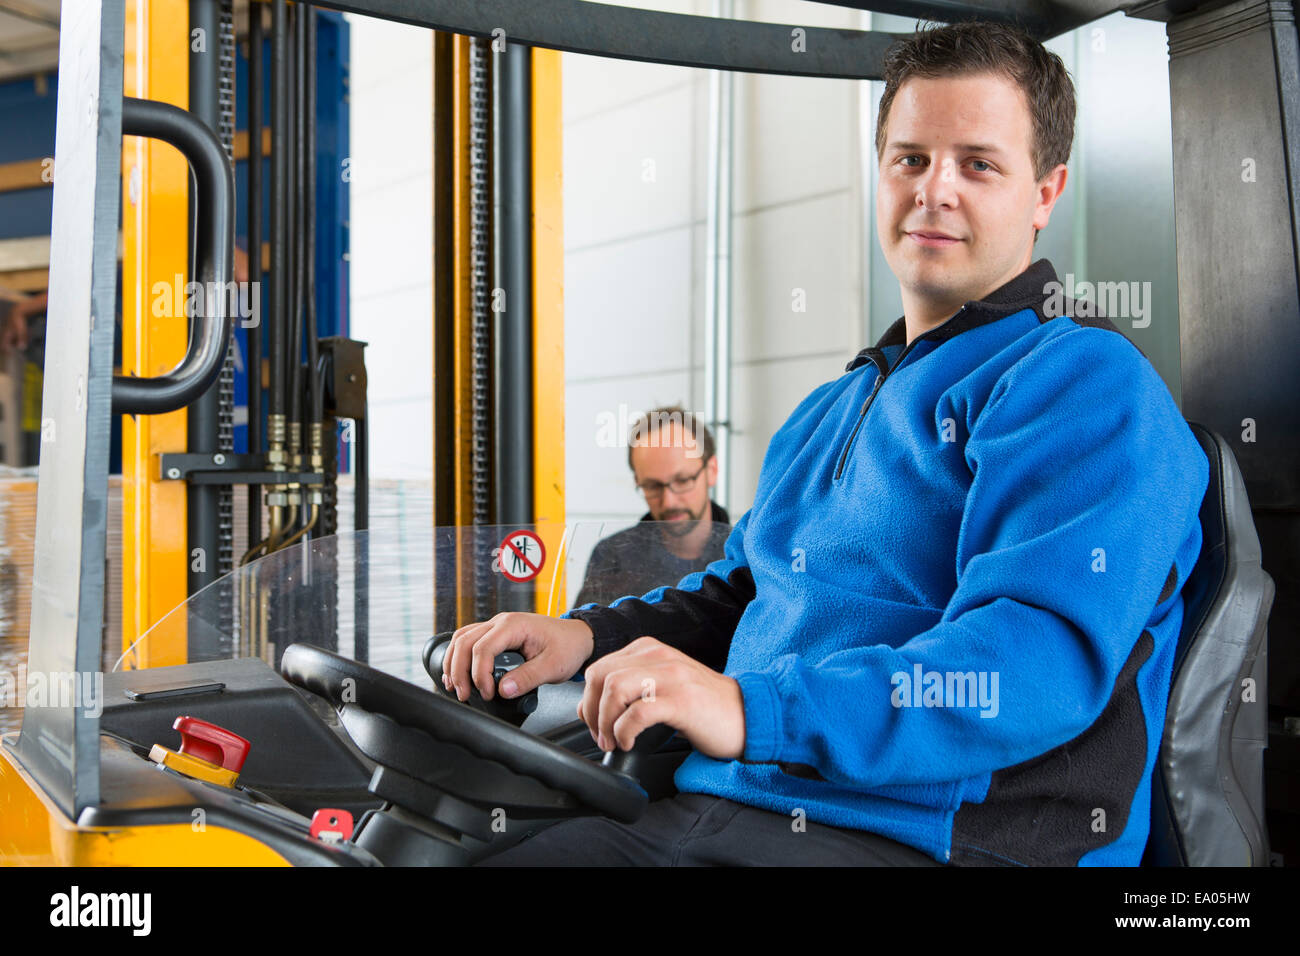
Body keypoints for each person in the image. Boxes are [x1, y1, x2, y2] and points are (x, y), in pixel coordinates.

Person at [443, 20, 1208, 866]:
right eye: (910, 158)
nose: (935, 190)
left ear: (1045, 193)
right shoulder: (833, 405)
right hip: (736, 804)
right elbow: (743, 593)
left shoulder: (1083, 384)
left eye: (978, 164)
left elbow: (1029, 661)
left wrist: (753, 711)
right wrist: (585, 639)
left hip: (932, 841)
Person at [570, 406, 730, 611]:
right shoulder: (613, 556)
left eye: (682, 481)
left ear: (712, 471)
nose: (669, 502)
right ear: (638, 481)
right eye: (652, 486)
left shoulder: (744, 557)